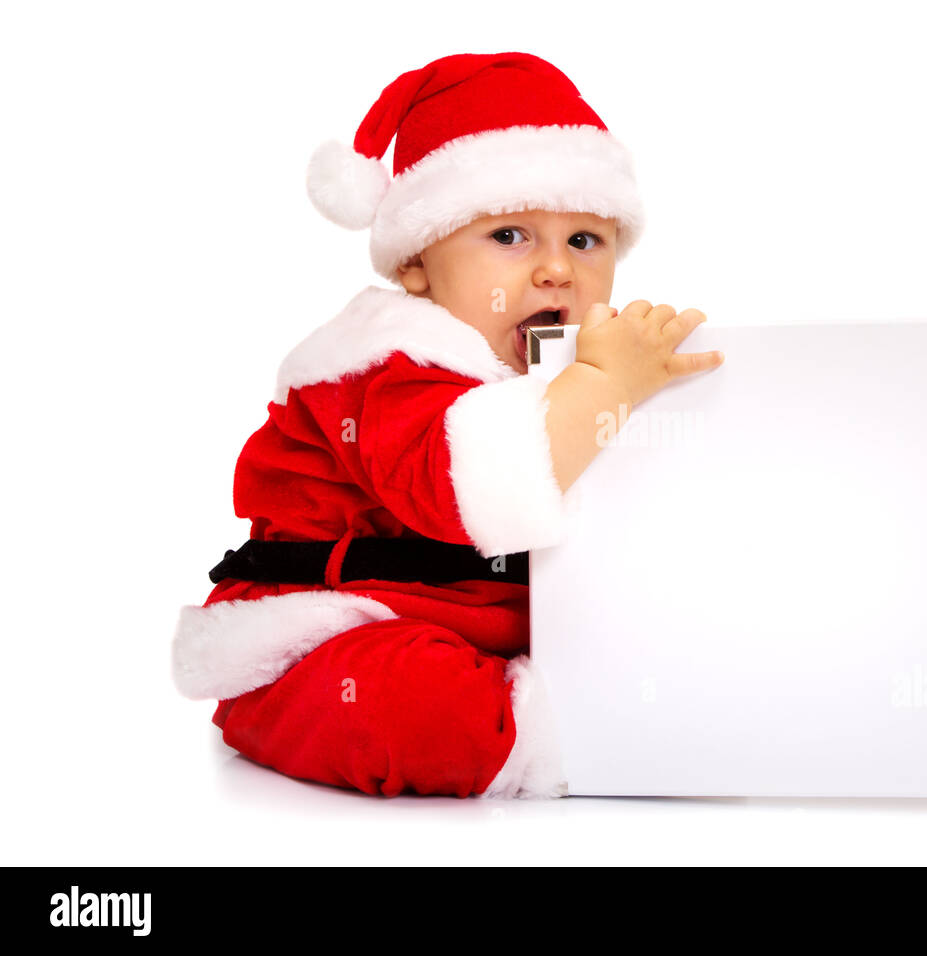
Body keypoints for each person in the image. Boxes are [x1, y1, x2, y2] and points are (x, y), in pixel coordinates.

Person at [170, 52, 724, 799]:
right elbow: (460, 493)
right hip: (325, 638)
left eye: (585, 241)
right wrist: (605, 385)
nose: (557, 270)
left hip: (490, 630)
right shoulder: (381, 364)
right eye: (509, 236)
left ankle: (611, 709)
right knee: (409, 703)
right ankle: (546, 741)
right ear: (417, 265)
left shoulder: (562, 368)